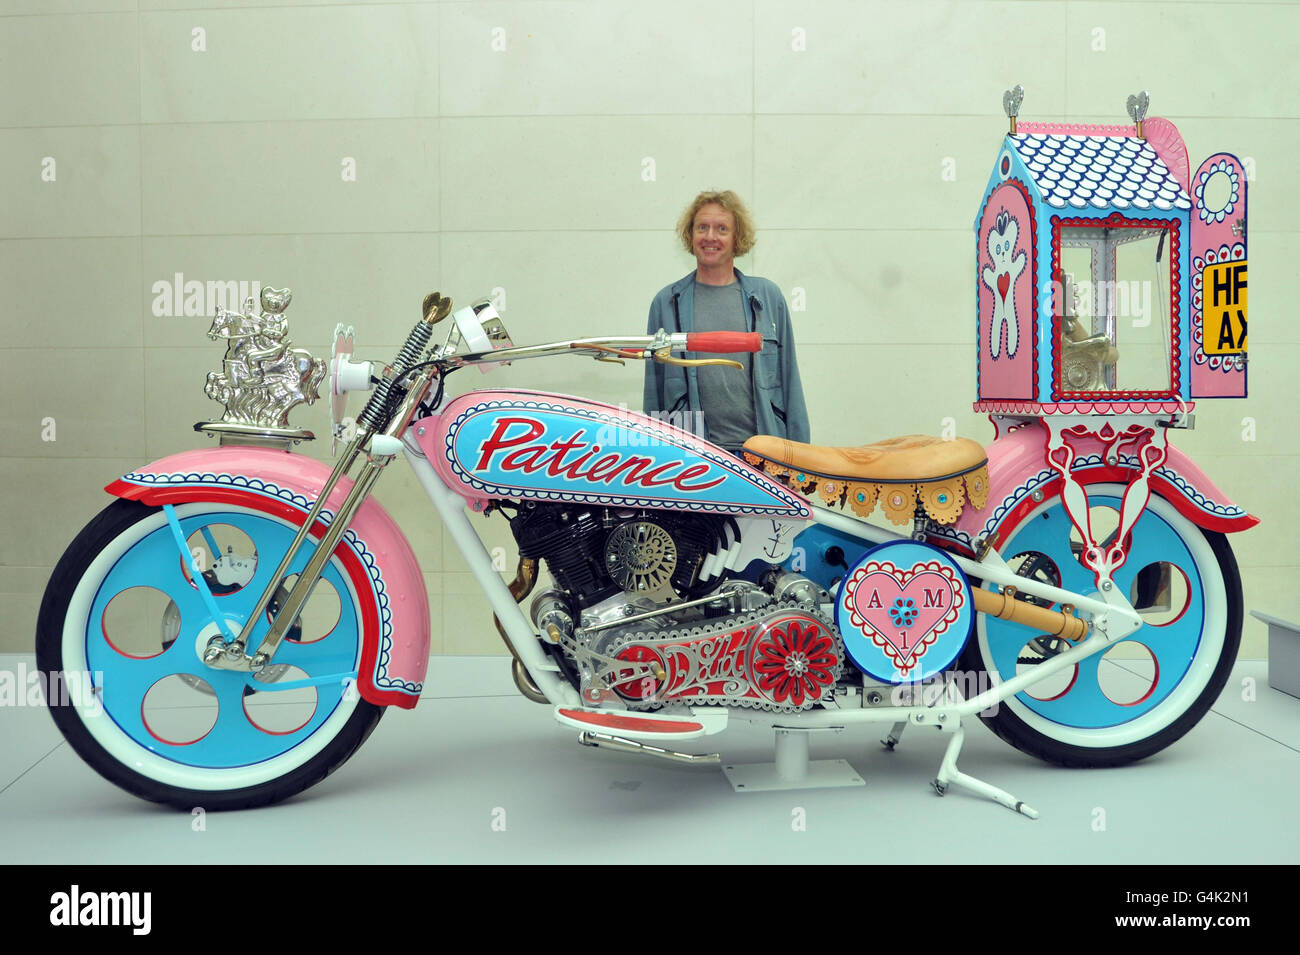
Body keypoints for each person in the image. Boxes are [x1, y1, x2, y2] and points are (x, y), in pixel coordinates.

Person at [643, 190, 809, 454]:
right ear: (691, 234)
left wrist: (802, 461)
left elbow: (790, 382)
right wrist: (655, 459)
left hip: (765, 457)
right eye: (702, 227)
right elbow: (654, 391)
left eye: (721, 229)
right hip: (692, 459)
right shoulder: (666, 303)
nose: (710, 237)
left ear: (736, 238)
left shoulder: (767, 297)